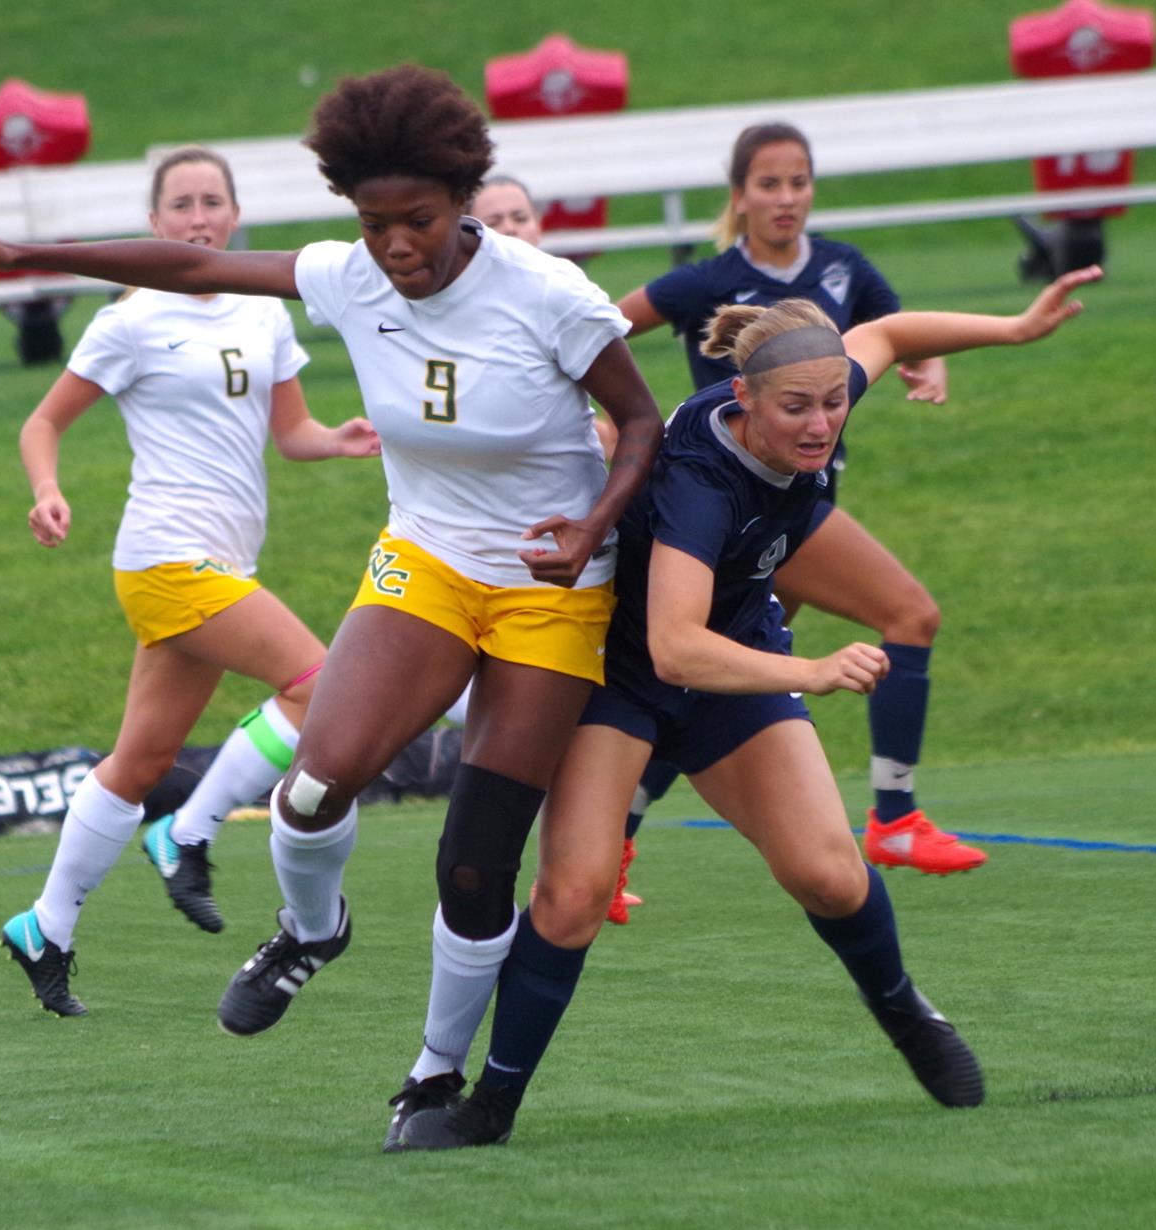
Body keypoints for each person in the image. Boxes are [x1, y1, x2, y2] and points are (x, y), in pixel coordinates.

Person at [0, 63, 663, 1102]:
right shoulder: (348, 276)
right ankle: (311, 931)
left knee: (474, 862)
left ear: (462, 201)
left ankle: (434, 1075)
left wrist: (592, 526)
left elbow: (640, 421)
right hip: (426, 563)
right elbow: (193, 267)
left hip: (553, 588)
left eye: (416, 222)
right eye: (372, 224)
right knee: (312, 788)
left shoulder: (547, 293)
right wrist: (25, 254)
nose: (394, 247)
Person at [392, 268, 1102, 1150]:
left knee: (830, 876)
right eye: (797, 408)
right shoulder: (701, 483)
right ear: (744, 399)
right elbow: (673, 647)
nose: (820, 425)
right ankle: (490, 1105)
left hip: (732, 657)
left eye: (834, 403)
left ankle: (904, 1011)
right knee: (572, 897)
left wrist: (1015, 328)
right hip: (622, 679)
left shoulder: (815, 389)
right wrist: (813, 668)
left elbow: (888, 334)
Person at [0, 146, 380, 1016]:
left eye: (212, 202)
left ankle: (45, 925)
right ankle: (190, 830)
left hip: (223, 563)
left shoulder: (264, 309)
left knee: (139, 761)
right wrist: (47, 490)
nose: (198, 218)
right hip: (164, 560)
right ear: (155, 222)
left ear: (235, 216)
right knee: (318, 683)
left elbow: (291, 434)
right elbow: (42, 423)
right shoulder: (131, 319)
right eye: (181, 204)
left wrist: (337, 439)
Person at [615, 121, 982, 877]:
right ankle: (896, 818)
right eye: (768, 183)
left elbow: (896, 331)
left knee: (723, 685)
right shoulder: (705, 281)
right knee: (906, 615)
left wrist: (929, 362)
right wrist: (622, 423)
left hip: (790, 517)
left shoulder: (844, 268)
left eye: (798, 181)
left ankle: (618, 837)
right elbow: (597, 336)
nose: (785, 198)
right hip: (727, 519)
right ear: (738, 196)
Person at [472, 173, 640, 926]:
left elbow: (630, 422)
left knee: (577, 728)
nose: (512, 228)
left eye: (522, 215)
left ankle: (574, 875)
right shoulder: (458, 321)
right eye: (494, 219)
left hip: (566, 574)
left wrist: (602, 474)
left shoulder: (562, 300)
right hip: (475, 574)